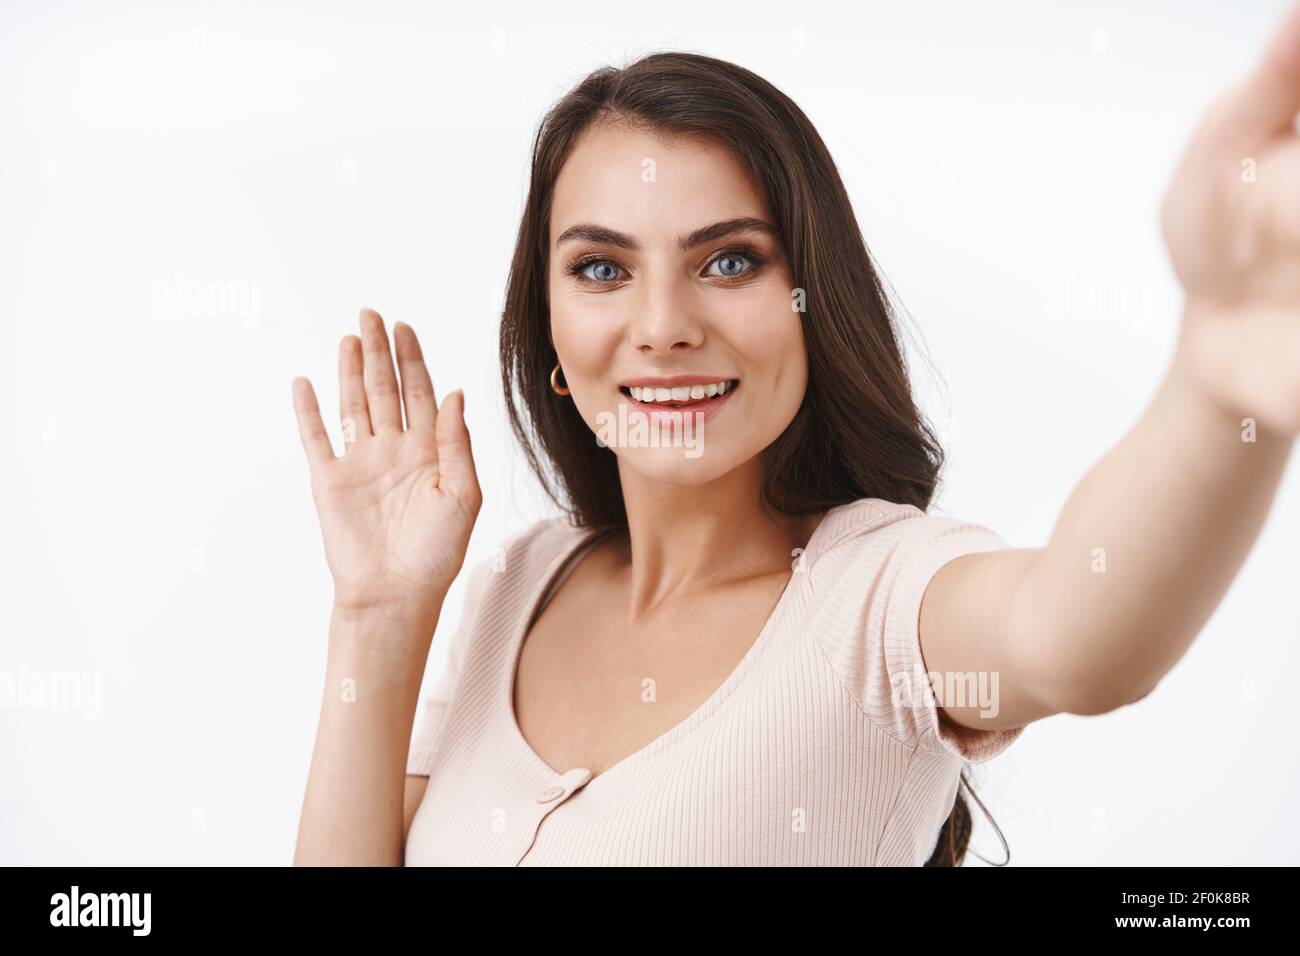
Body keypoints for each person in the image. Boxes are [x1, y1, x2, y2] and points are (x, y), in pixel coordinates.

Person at [292, 6, 1300, 865]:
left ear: (814, 303)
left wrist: (1214, 385)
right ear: (547, 324)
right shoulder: (518, 580)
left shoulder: (875, 596)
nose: (661, 324)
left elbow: (1077, 636)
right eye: (601, 268)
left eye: (728, 261)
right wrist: (378, 614)